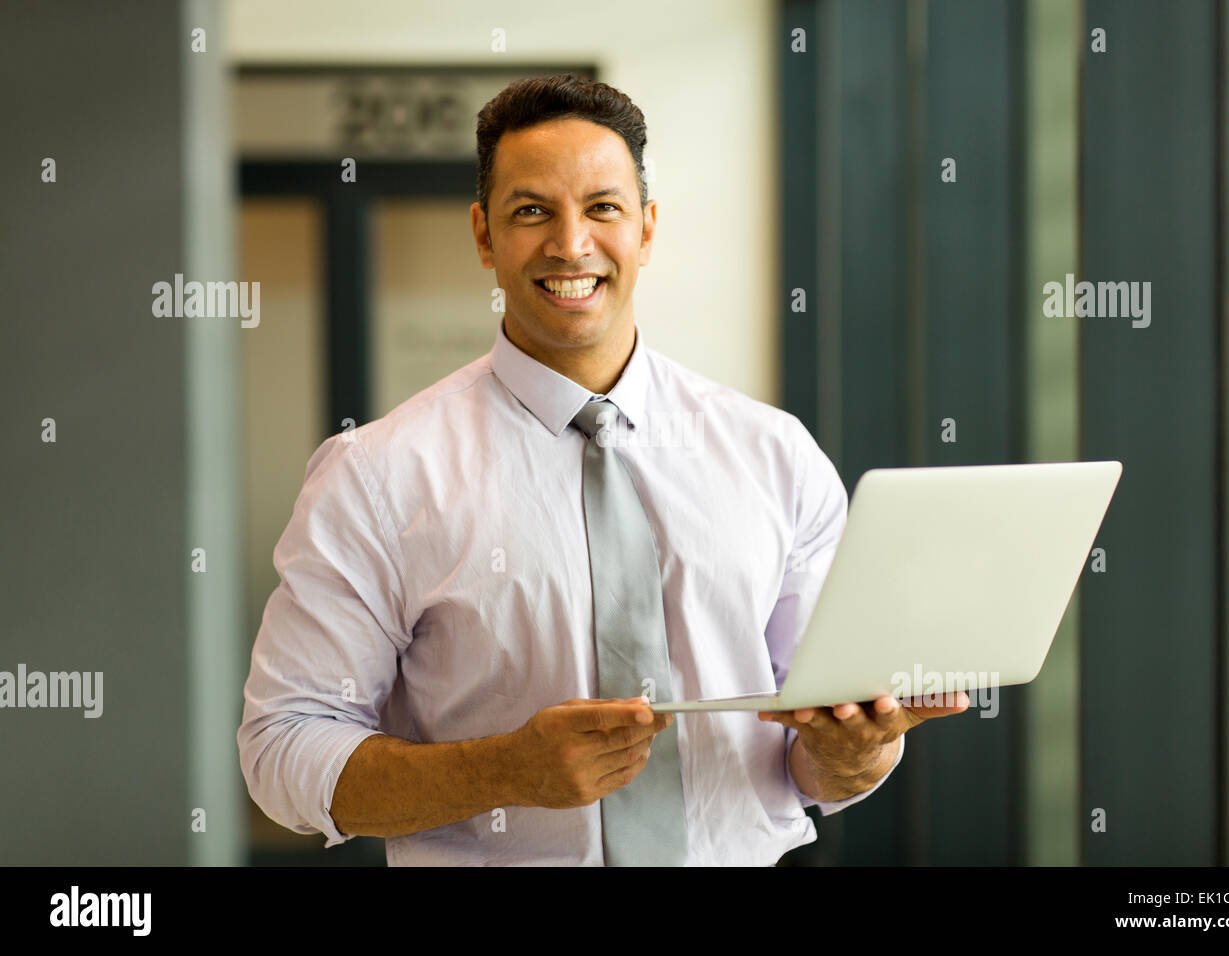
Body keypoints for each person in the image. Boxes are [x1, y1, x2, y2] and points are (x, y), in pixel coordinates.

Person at [237, 73, 968, 866]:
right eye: (531, 212)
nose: (570, 244)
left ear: (646, 229)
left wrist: (856, 751)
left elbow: (818, 752)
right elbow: (282, 750)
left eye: (603, 208)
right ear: (484, 236)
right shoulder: (377, 477)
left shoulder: (775, 455)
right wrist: (504, 769)